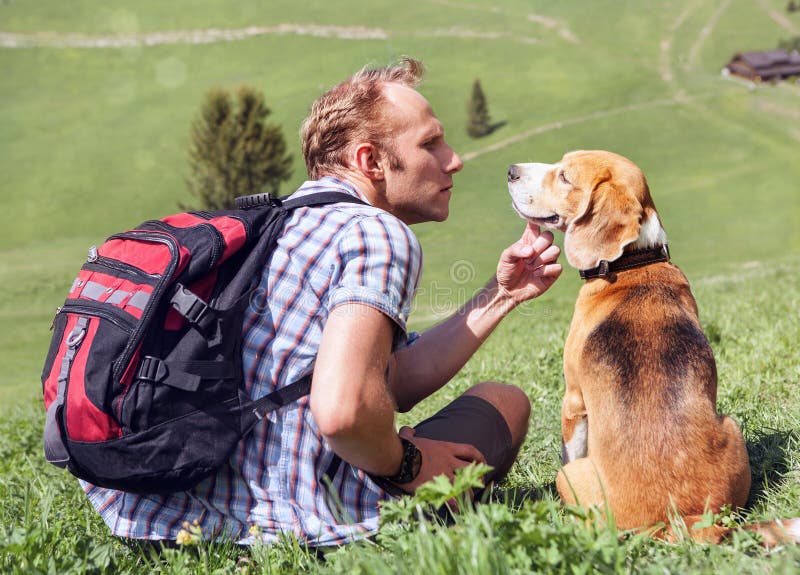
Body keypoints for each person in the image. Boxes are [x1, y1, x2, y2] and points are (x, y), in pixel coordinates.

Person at [82, 57, 562, 547]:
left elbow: (394, 382)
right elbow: (343, 413)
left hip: (153, 518)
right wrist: (409, 462)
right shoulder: (375, 233)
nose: (454, 159)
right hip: (297, 527)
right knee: (504, 401)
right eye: (430, 143)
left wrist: (501, 295)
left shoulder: (273, 229)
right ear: (370, 161)